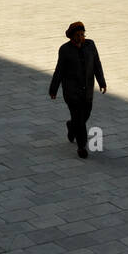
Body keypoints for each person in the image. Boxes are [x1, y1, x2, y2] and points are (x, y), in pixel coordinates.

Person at [49, 22, 107, 160]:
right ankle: (82, 147)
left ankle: (71, 126)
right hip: (71, 91)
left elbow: (97, 64)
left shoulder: (90, 45)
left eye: (82, 34)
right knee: (80, 120)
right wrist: (53, 89)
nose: (81, 37)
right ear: (71, 37)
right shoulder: (65, 49)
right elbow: (59, 70)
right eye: (78, 35)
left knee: (85, 114)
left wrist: (102, 81)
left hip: (87, 90)